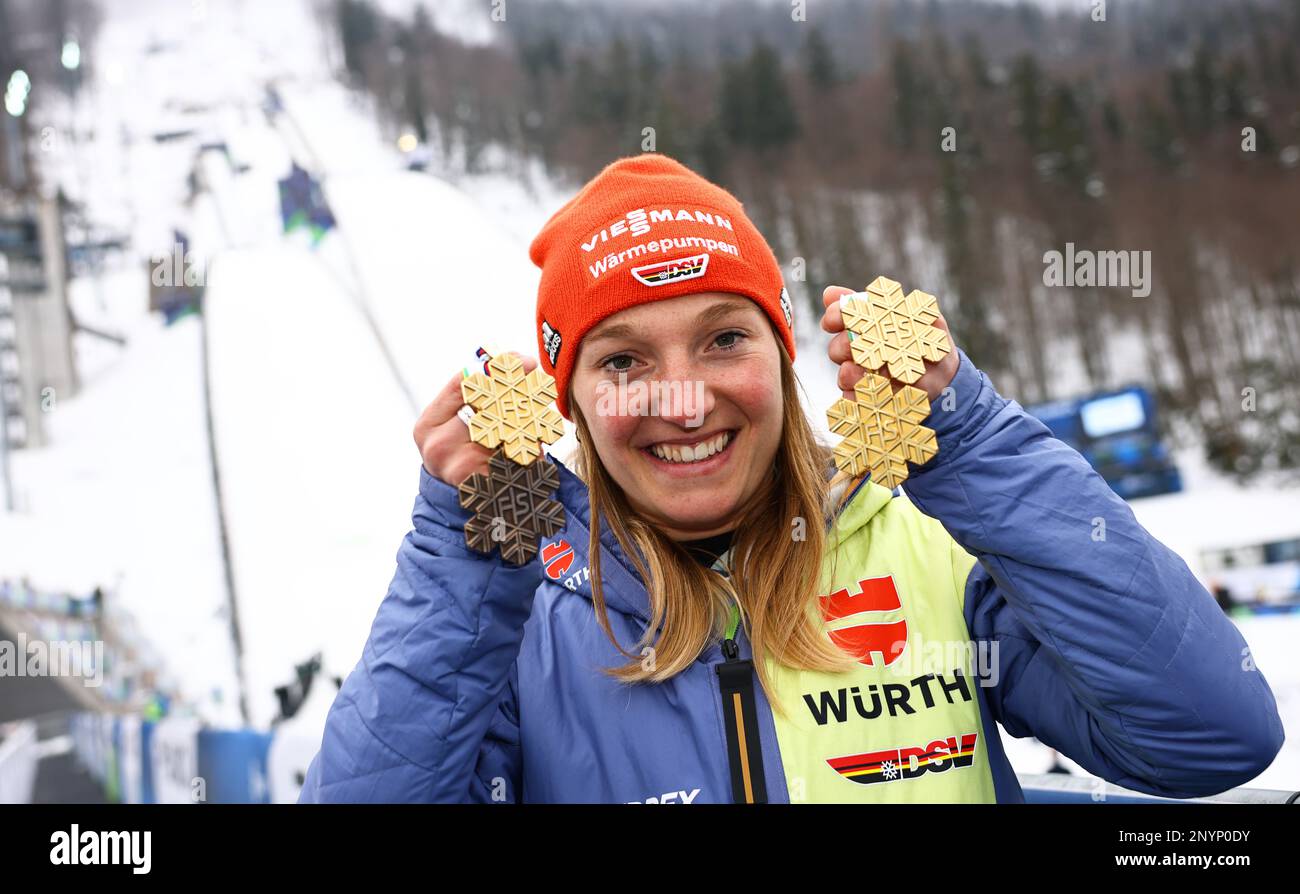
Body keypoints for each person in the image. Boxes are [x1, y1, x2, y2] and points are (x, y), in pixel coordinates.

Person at [298, 154, 1283, 803]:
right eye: (624, 362)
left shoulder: (932, 556)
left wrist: (973, 443)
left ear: (783, 358)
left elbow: (1209, 735)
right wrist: (472, 552)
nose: (682, 403)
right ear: (571, 402)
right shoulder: (520, 624)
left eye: (723, 339)